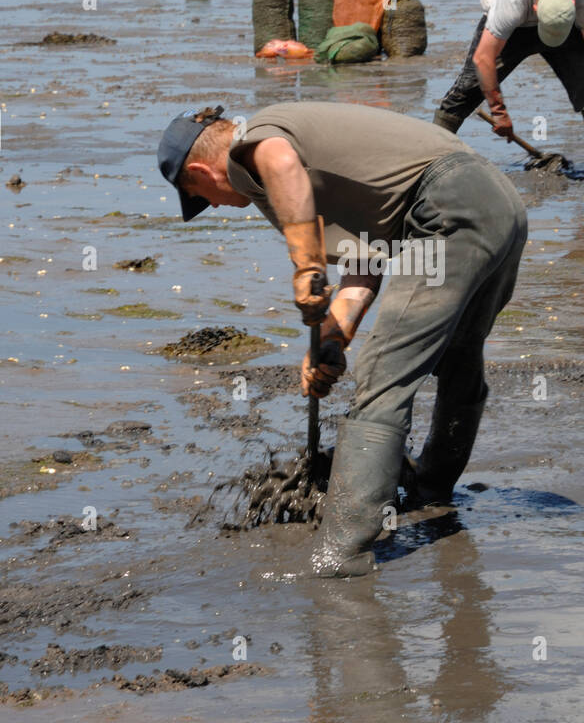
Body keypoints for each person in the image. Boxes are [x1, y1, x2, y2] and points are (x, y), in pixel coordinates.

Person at [157, 102, 527, 577]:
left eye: (198, 194)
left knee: (382, 374)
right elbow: (368, 258)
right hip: (498, 205)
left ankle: (343, 553)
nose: (211, 205)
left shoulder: (254, 147)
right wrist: (333, 337)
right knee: (457, 358)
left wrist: (308, 265)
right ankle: (431, 491)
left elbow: (279, 160)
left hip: (449, 209)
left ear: (199, 169)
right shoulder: (312, 163)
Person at [433, 0, 584, 180]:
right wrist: (499, 111)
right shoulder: (513, 0)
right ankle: (433, 155)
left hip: (564, 24)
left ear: (572, 4)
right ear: (534, 8)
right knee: (468, 88)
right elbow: (483, 58)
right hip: (515, 30)